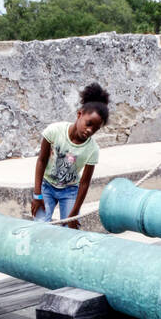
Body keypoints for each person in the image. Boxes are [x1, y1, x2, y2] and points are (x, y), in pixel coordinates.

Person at [31, 83, 109, 229]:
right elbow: (41, 161)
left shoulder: (92, 149)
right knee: (40, 227)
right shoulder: (54, 131)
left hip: (70, 191)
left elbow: (85, 183)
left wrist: (74, 212)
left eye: (95, 129)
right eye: (88, 124)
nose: (90, 130)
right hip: (46, 187)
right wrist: (37, 195)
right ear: (79, 114)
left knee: (70, 231)